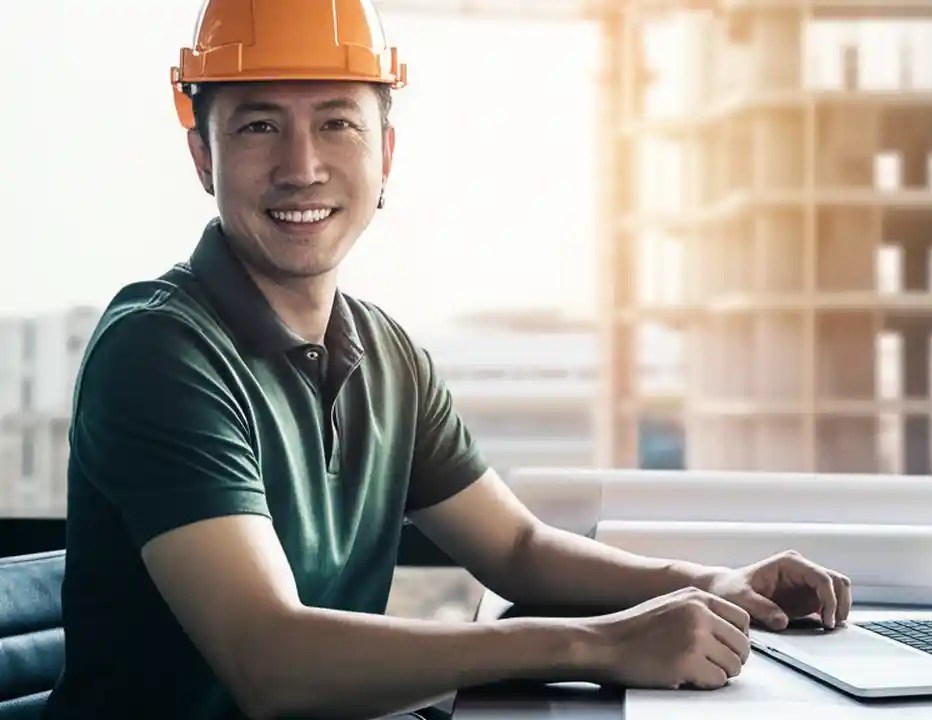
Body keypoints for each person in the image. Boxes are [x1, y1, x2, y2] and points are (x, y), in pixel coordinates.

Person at [43, 1, 851, 718]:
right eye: (258, 125)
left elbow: (517, 549)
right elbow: (271, 662)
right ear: (203, 157)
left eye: (337, 122)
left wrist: (710, 584)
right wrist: (596, 645)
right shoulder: (160, 350)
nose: (301, 166)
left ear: (385, 155)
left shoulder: (387, 354)